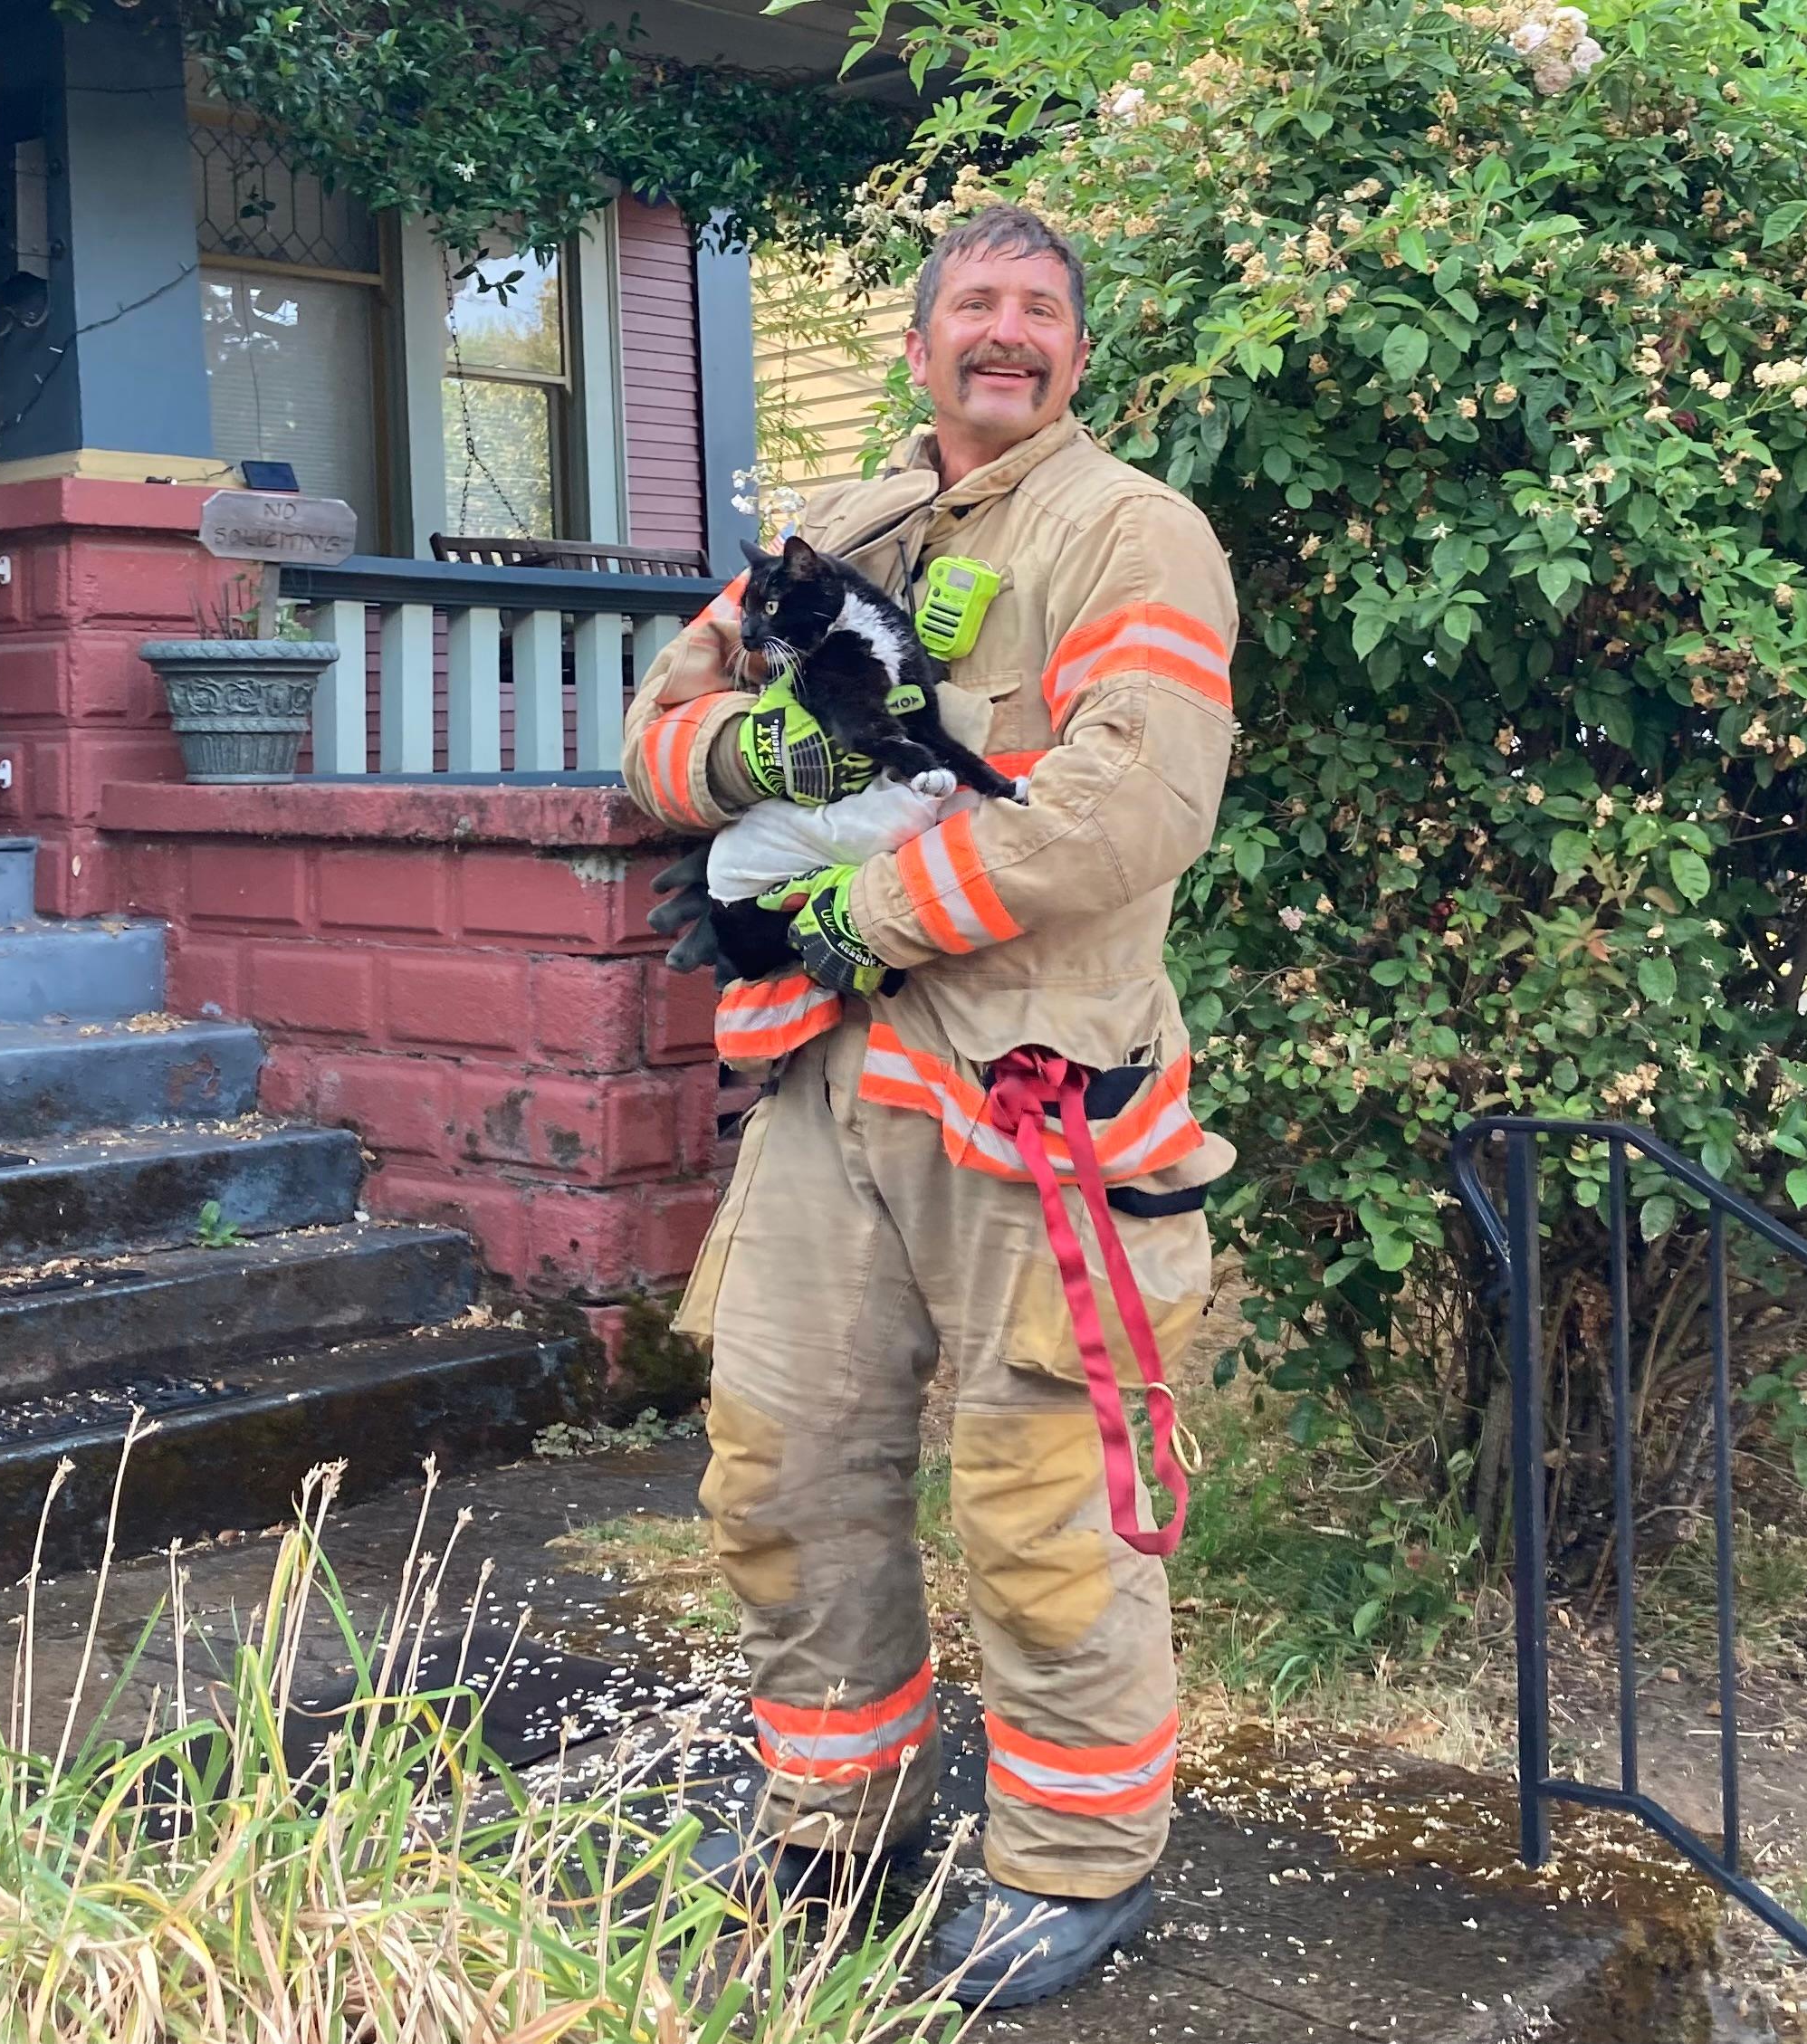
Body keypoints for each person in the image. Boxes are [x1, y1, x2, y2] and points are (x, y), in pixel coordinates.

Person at [617, 205, 1238, 2008]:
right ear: (920, 344)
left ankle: (1073, 1860)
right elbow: (659, 745)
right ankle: (833, 1811)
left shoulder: (1135, 533)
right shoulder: (840, 542)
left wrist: (856, 912)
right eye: (976, 301)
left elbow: (1125, 812)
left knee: (1046, 1499)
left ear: (1077, 354)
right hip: (831, 1101)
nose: (1008, 331)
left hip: (1039, 1095)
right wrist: (778, 758)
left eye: (1042, 307)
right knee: (785, 1462)